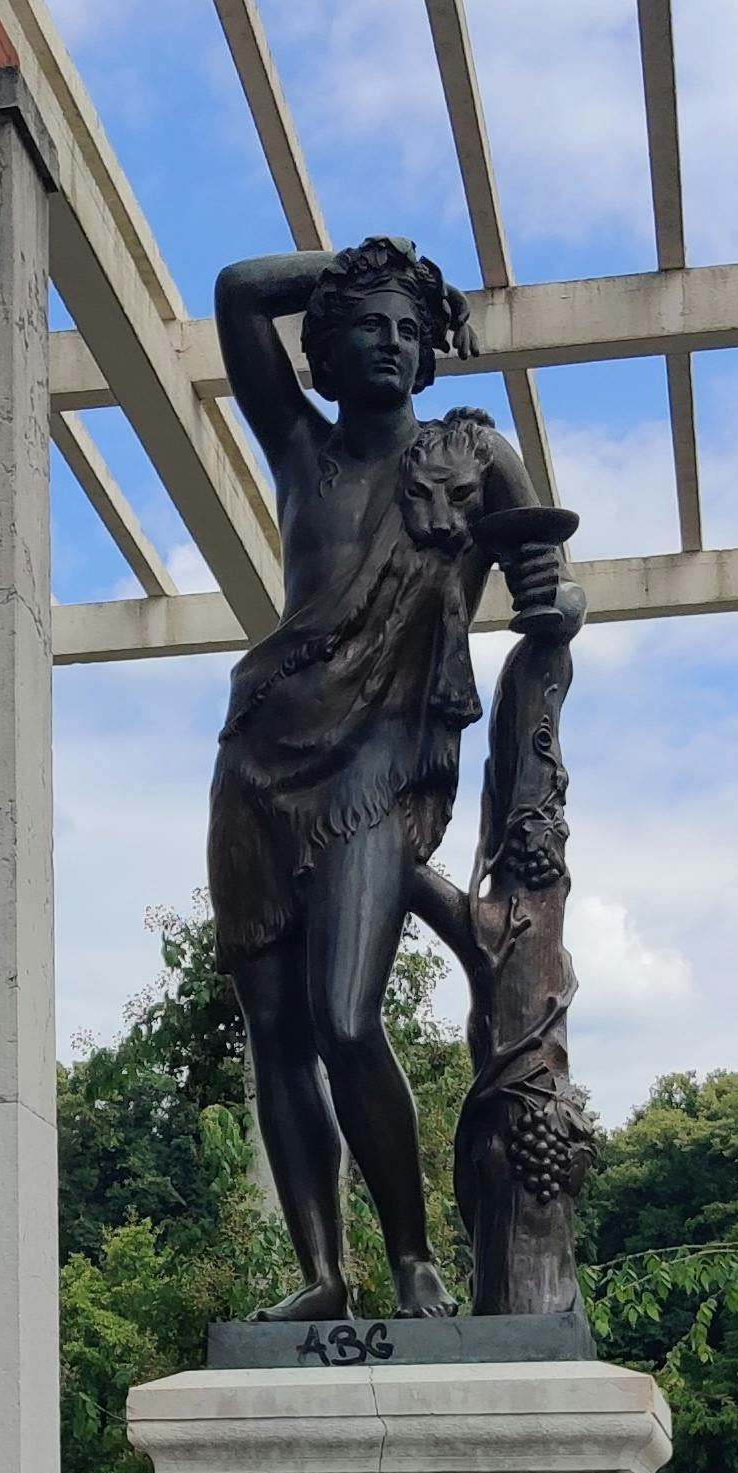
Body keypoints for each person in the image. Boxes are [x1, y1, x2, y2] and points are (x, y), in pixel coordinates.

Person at [209, 235, 562, 1320]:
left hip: (378, 763)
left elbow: (548, 580)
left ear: (430, 355)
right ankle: (323, 1272)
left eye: (413, 328)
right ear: (323, 342)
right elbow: (234, 289)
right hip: (261, 757)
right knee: (274, 1026)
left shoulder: (473, 453)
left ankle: (411, 1256)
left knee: (344, 1016)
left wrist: (560, 612)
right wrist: (370, 261)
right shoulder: (300, 451)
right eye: (368, 322)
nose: (393, 343)